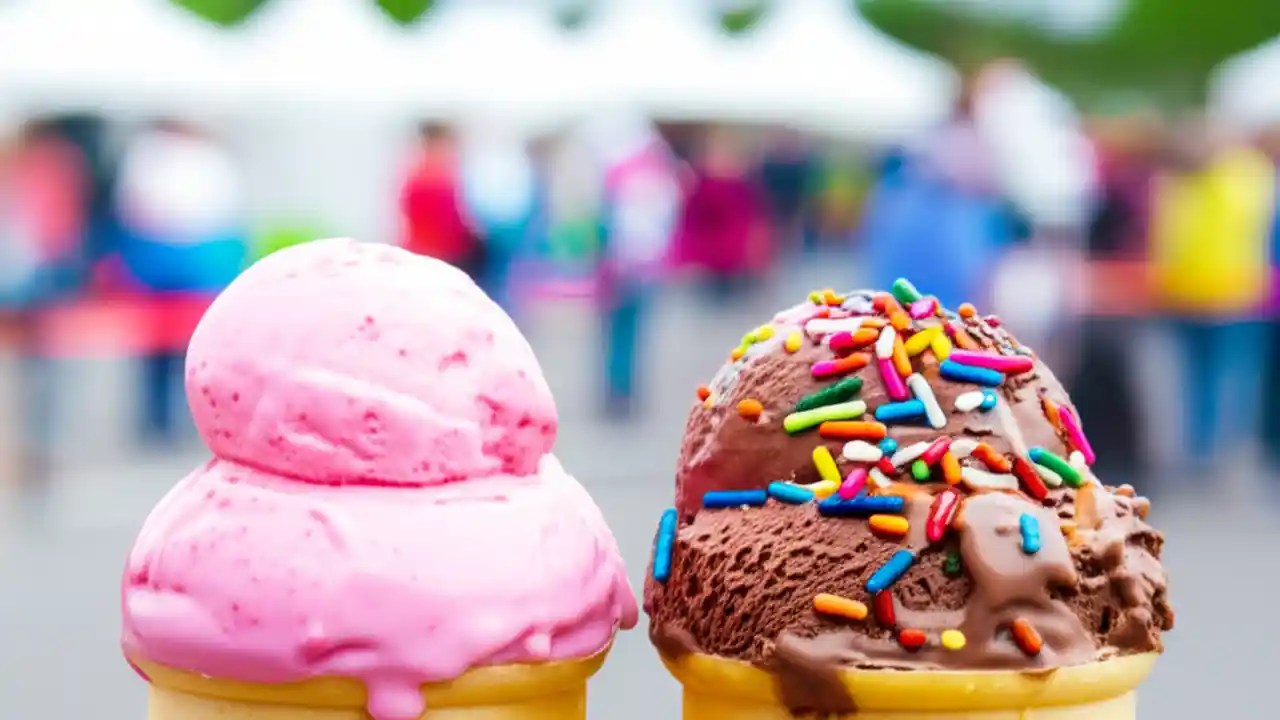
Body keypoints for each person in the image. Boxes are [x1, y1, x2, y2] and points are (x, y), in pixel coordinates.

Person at [1149, 118, 1275, 467]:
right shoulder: (1248, 177)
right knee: (1216, 375)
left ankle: (1204, 449)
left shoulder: (1201, 180)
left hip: (1213, 290)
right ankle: (1206, 449)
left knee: (1207, 375)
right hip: (1221, 290)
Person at [114, 120, 247, 445]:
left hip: (188, 257)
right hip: (166, 256)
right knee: (158, 346)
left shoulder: (192, 156)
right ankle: (158, 418)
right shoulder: (152, 154)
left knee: (189, 343)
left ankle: (178, 415)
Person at [0, 118, 89, 484]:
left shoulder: (52, 166)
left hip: (39, 278)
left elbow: (61, 227)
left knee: (39, 373)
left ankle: (34, 449)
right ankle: (31, 450)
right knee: (37, 373)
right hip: (34, 276)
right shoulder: (53, 166)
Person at [588, 114, 682, 416]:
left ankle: (615, 390)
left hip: (621, 267)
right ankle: (626, 391)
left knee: (616, 333)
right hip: (645, 267)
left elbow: (608, 228)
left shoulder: (620, 176)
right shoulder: (663, 176)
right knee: (634, 333)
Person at [672, 127, 770, 297]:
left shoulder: (744, 186)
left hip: (735, 261)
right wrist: (686, 257)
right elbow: (689, 223)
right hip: (705, 262)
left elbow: (753, 221)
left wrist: (756, 253)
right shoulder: (698, 186)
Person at [398, 122, 478, 278]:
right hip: (437, 258)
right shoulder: (431, 177)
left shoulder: (422, 174)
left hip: (429, 256)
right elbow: (449, 224)